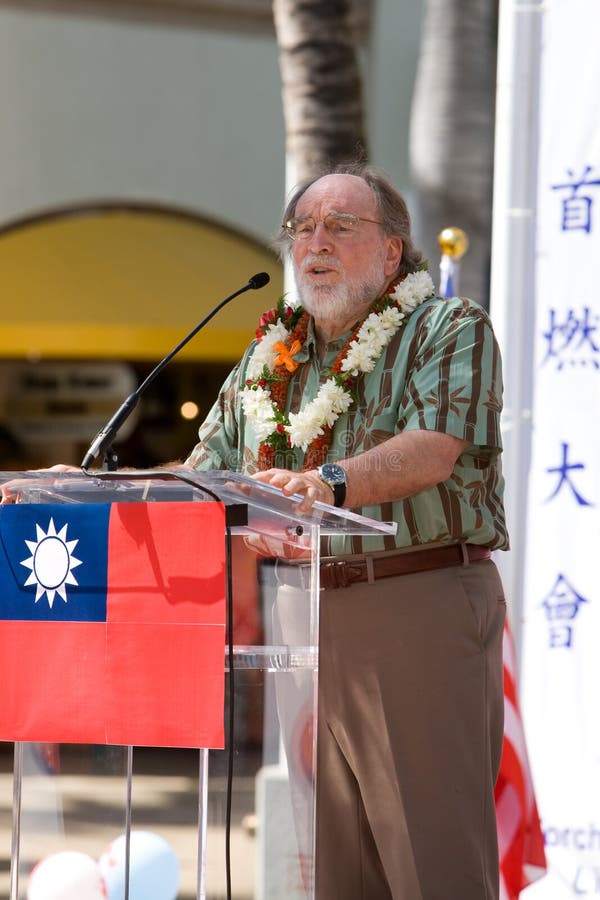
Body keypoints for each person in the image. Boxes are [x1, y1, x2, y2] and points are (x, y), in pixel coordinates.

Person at [185, 163, 508, 900]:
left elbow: (434, 446)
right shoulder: (271, 356)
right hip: (304, 616)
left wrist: (326, 482)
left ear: (393, 251)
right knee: (339, 876)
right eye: (302, 229)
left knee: (433, 869)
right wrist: (101, 492)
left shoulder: (448, 327)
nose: (315, 243)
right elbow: (206, 466)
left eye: (340, 226)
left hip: (415, 599)